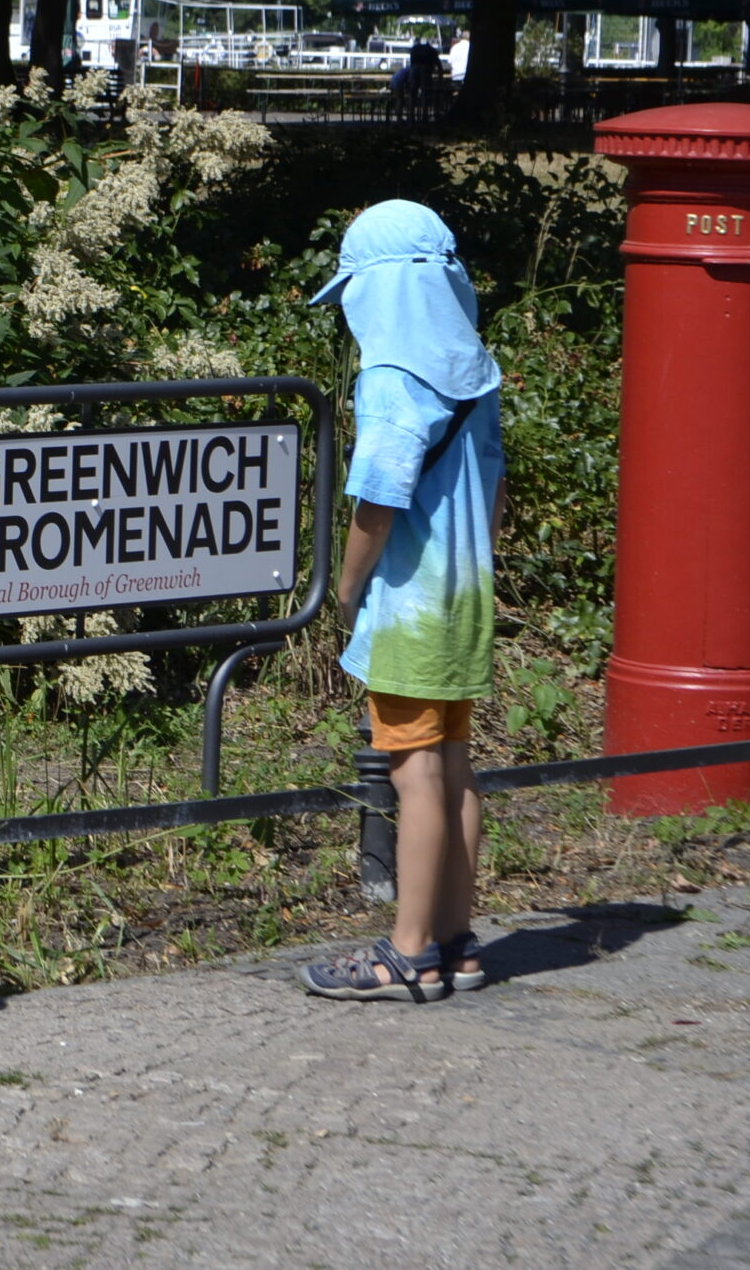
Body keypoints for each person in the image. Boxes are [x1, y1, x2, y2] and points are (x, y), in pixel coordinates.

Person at [299, 200, 506, 1003]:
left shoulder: (391, 381)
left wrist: (345, 589)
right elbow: (493, 492)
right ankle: (458, 942)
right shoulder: (476, 371)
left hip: (410, 607)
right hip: (465, 600)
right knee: (454, 769)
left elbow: (376, 504)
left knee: (412, 772)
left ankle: (408, 951)